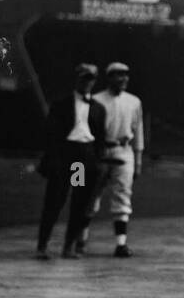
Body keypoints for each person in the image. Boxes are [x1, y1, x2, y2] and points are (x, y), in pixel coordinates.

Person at [36, 64, 107, 260]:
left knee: (79, 201)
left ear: (94, 81)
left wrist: (97, 160)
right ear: (77, 79)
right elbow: (50, 134)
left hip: (82, 159)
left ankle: (69, 247)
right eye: (84, 78)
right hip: (64, 155)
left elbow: (100, 138)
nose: (87, 82)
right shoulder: (61, 104)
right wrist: (52, 159)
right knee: (55, 201)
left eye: (91, 79)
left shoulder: (98, 109)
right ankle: (42, 246)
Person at [80, 62, 144, 258]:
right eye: (118, 75)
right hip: (100, 151)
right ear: (109, 77)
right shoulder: (96, 99)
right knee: (90, 196)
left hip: (123, 151)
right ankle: (81, 240)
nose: (123, 78)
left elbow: (138, 132)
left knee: (123, 194)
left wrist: (139, 160)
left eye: (126, 75)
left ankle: (121, 244)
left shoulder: (134, 101)